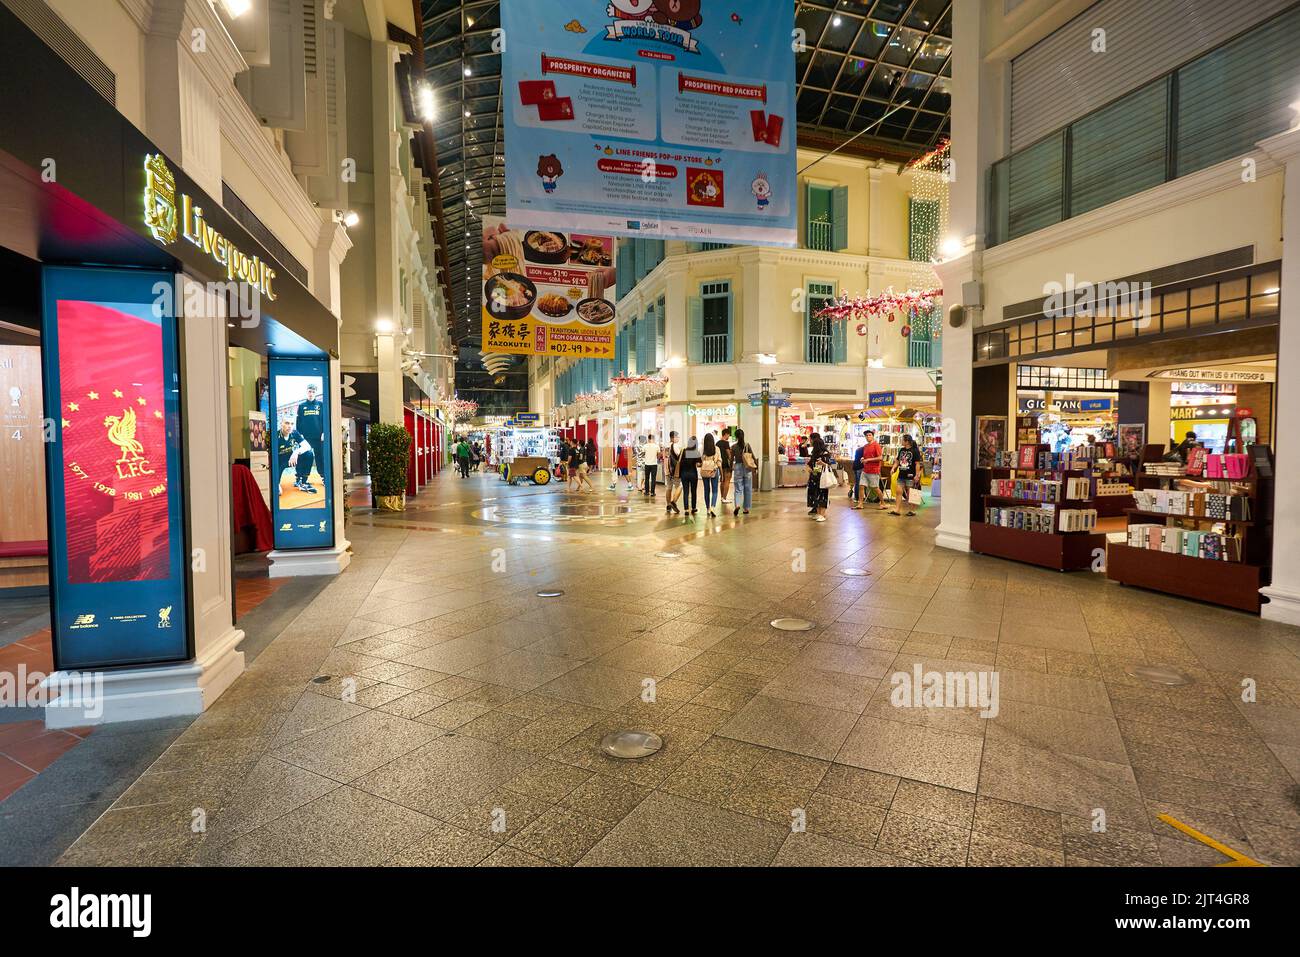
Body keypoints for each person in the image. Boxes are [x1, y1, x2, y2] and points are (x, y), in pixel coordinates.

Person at [276, 418, 317, 494]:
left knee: (309, 453)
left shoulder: (294, 433)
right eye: (287, 423)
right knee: (278, 493)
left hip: (292, 459)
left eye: (292, 424)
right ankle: (275, 482)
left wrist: (296, 452)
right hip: (278, 461)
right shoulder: (276, 436)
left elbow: (308, 446)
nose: (290, 426)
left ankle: (302, 481)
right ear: (281, 424)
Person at [295, 383, 326, 483]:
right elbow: (298, 422)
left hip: (318, 437)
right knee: (303, 456)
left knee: (320, 457)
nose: (311, 393)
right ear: (306, 392)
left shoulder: (321, 405)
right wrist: (300, 435)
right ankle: (300, 477)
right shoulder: (301, 406)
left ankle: (323, 476)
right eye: (309, 391)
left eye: (313, 392)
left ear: (315, 393)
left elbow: (325, 420)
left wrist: (324, 432)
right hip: (305, 438)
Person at [806, 432, 834, 522]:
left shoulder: (825, 454)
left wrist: (822, 463)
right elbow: (809, 464)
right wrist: (809, 468)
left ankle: (822, 514)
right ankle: (818, 513)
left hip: (822, 477)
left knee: (822, 494)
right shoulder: (814, 453)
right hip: (814, 476)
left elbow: (829, 465)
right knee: (815, 494)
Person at [893, 433, 922, 517]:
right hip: (901, 474)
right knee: (898, 491)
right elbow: (898, 461)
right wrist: (893, 468)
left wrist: (917, 475)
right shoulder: (901, 450)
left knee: (911, 493)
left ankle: (912, 510)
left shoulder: (915, 451)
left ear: (907, 441)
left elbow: (917, 464)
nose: (901, 441)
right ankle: (897, 509)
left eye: (902, 440)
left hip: (910, 475)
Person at [857, 429, 884, 510]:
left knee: (875, 487)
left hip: (874, 470)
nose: (868, 437)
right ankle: (860, 503)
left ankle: (883, 503)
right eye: (866, 435)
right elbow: (866, 457)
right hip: (865, 470)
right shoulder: (865, 446)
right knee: (861, 486)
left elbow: (880, 457)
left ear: (872, 436)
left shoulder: (876, 445)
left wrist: (868, 460)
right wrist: (863, 459)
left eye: (870, 435)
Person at [731, 427, 755, 516]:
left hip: (737, 467)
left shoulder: (733, 447)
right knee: (748, 488)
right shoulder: (747, 445)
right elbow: (753, 456)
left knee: (738, 489)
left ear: (736, 437)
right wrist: (755, 468)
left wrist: (730, 468)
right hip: (747, 467)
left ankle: (737, 505)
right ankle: (746, 508)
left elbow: (731, 459)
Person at [677, 435, 701, 517]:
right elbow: (699, 463)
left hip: (684, 473)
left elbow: (680, 462)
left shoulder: (683, 451)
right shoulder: (696, 452)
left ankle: (686, 509)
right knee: (693, 491)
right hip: (693, 473)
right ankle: (693, 508)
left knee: (686, 492)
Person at [700, 433, 722, 517]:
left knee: (706, 490)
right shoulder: (717, 449)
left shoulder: (702, 449)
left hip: (705, 471)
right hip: (714, 471)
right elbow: (719, 461)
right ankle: (713, 507)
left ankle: (708, 509)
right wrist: (718, 469)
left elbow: (700, 460)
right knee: (715, 490)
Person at [664, 430, 683, 515]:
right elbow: (680, 456)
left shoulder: (666, 446)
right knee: (679, 486)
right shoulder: (675, 445)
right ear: (673, 438)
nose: (678, 438)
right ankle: (673, 502)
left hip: (667, 469)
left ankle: (668, 505)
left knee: (669, 487)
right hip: (674, 469)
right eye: (677, 437)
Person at [717, 426, 733, 505]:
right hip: (726, 464)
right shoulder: (726, 443)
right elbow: (729, 455)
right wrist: (731, 460)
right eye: (728, 435)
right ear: (726, 434)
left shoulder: (717, 443)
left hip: (720, 464)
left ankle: (722, 497)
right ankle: (724, 498)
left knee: (722, 480)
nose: (728, 436)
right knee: (727, 480)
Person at [640, 434, 659, 498]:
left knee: (647, 478)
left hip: (647, 464)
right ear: (653, 439)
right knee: (653, 479)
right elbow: (658, 456)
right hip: (654, 464)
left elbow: (642, 454)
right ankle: (653, 492)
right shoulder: (656, 446)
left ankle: (647, 492)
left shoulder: (645, 446)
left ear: (648, 439)